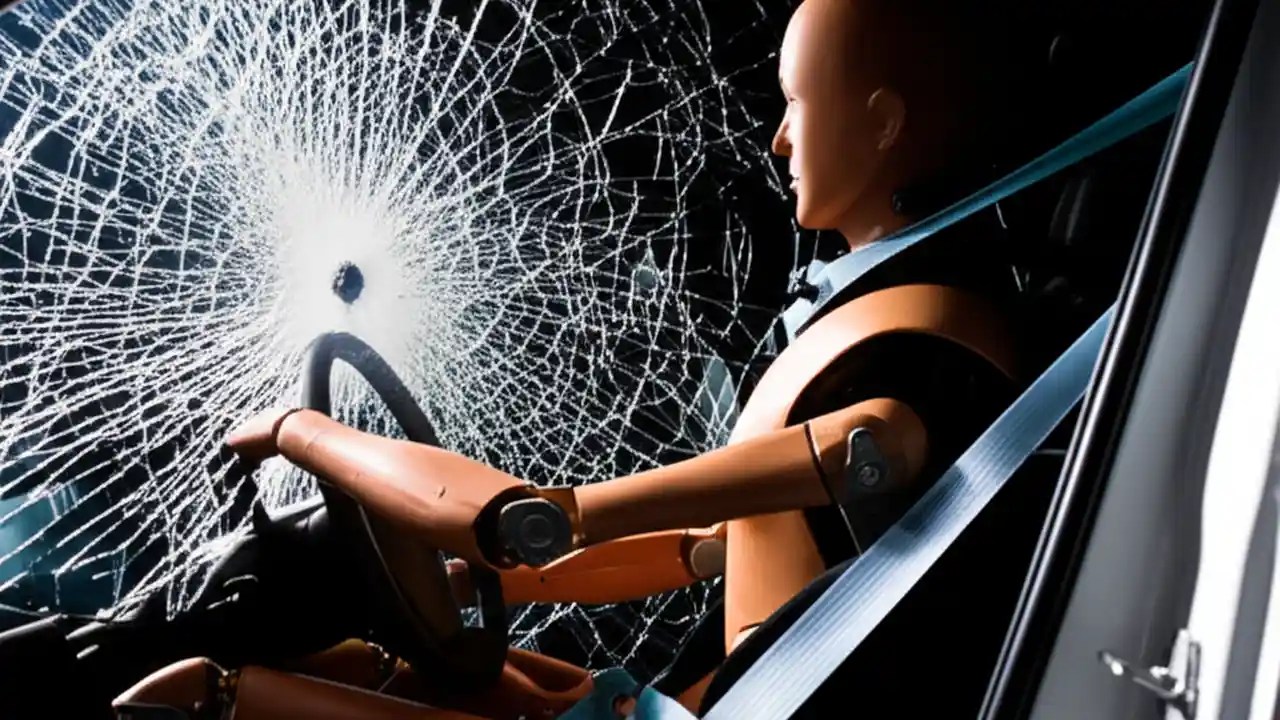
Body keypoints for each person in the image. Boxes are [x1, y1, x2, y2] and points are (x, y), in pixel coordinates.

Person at [115, 1, 1019, 717]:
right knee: (366, 663)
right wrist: (473, 578)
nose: (778, 139)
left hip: (760, 701)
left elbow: (873, 447)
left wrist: (305, 433)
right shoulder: (887, 314)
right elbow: (708, 547)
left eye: (796, 103)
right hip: (713, 693)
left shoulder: (917, 342)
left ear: (884, 123)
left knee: (207, 694)